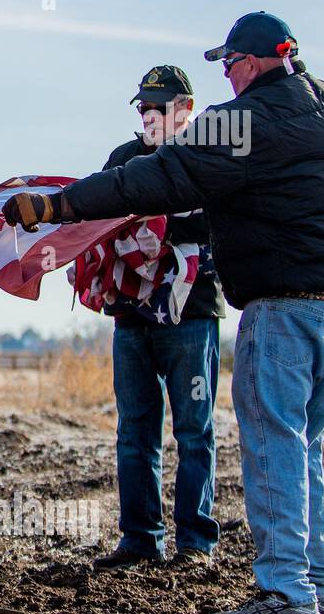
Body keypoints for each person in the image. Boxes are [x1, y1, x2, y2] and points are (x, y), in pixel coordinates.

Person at [4, 12, 324, 614]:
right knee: (304, 446)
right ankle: (316, 584)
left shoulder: (242, 122)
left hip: (279, 306)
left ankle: (285, 592)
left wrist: (57, 205)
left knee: (272, 445)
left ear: (253, 63)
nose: (227, 76)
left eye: (229, 63)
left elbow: (159, 178)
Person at [89, 66, 224, 572]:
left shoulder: (210, 158)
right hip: (130, 320)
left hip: (191, 317)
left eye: (159, 107)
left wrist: (157, 224)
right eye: (143, 108)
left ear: (185, 111)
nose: (148, 115)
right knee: (134, 431)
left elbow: (218, 221)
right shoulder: (122, 161)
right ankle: (140, 539)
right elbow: (94, 211)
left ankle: (195, 545)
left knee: (194, 431)